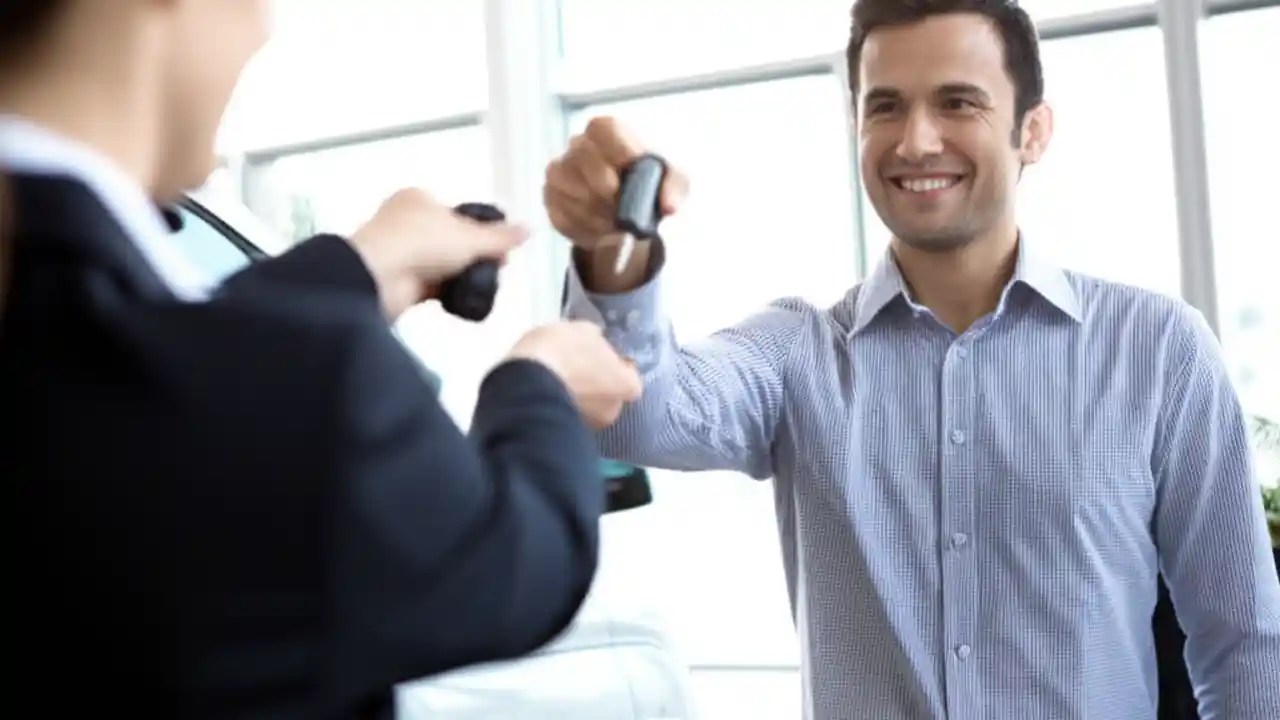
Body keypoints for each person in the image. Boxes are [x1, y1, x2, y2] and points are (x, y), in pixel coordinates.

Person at [545, 1, 1280, 718]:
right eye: (886, 107)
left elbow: (1244, 645)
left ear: (1033, 130)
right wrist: (616, 250)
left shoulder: (1158, 351)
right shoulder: (797, 357)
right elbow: (633, 419)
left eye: (959, 103)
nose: (916, 141)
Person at [0, 1, 642, 718]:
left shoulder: (74, 338)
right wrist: (541, 384)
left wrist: (353, 269)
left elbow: (154, 387)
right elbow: (523, 564)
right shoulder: (307, 390)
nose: (262, 25)